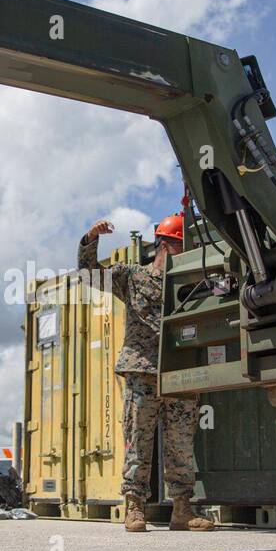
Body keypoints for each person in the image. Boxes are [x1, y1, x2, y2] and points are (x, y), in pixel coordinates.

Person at [78, 216, 215, 532]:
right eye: (183, 245)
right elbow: (89, 275)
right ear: (166, 244)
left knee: (181, 444)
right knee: (138, 441)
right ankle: (134, 508)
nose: (188, 252)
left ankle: (182, 510)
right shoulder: (132, 276)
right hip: (143, 371)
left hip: (183, 372)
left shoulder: (193, 282)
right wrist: (90, 239)